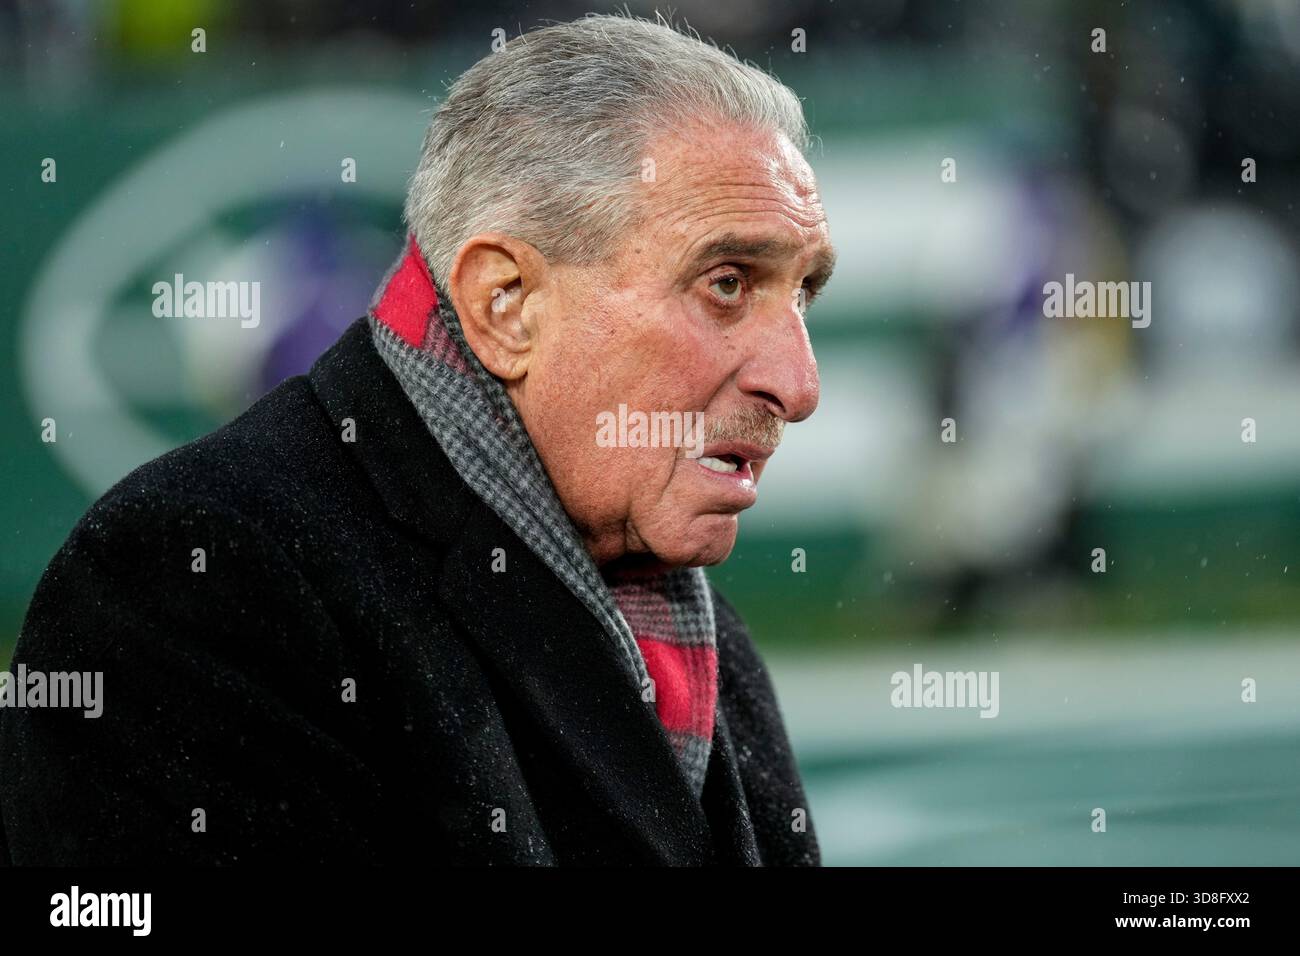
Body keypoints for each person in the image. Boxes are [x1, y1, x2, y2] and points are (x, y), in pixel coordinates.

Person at [0, 12, 836, 865]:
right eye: (727, 283)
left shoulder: (710, 651)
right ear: (503, 303)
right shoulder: (192, 581)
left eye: (803, 292)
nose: (798, 386)